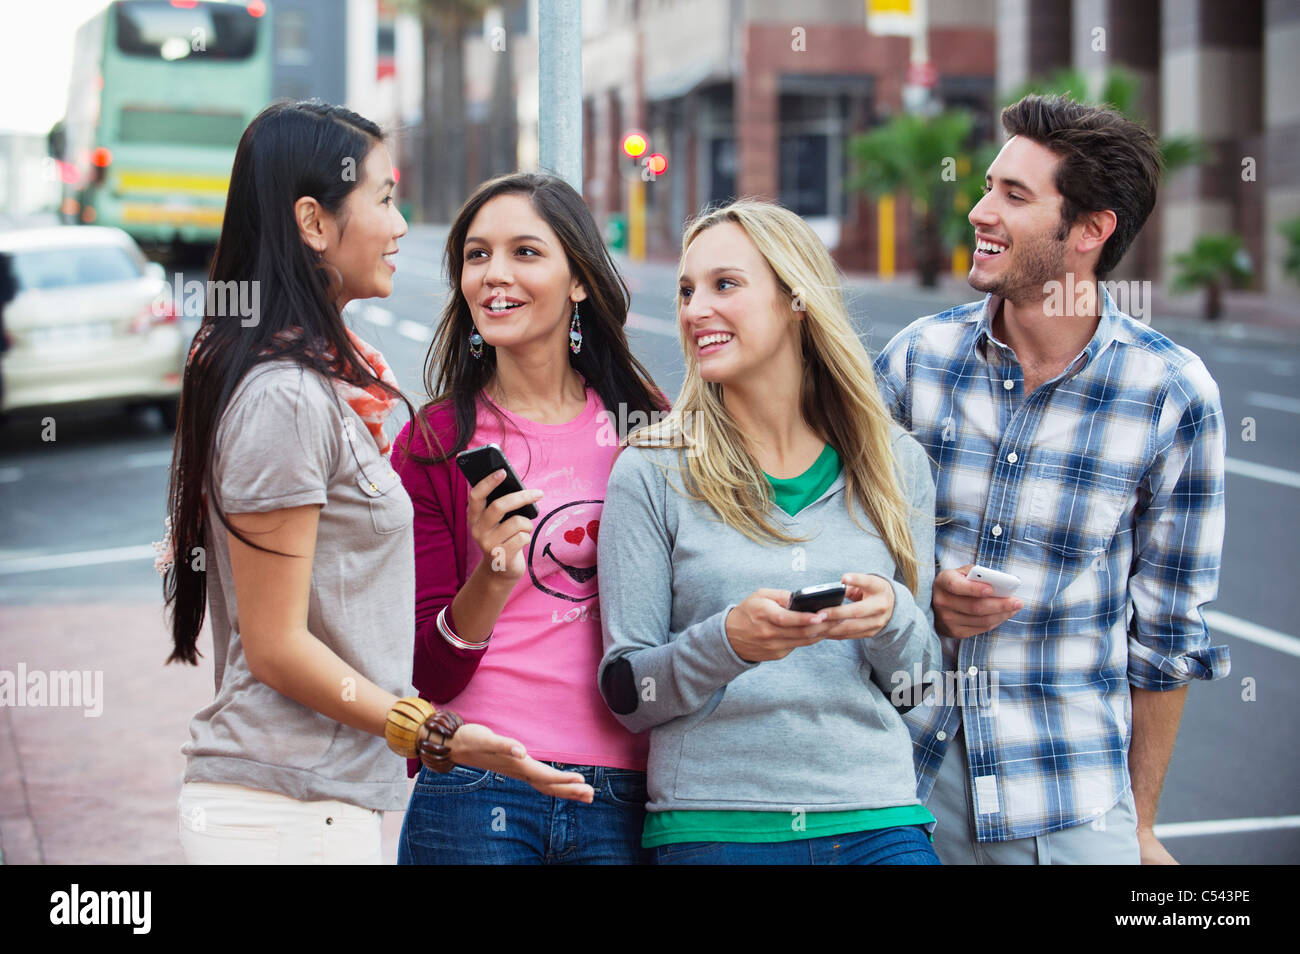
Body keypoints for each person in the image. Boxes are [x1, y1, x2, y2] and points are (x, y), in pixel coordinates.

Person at [162, 102, 592, 866]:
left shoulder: (333, 387)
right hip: (281, 807)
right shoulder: (286, 395)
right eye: (386, 198)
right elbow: (276, 647)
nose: (401, 228)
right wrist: (435, 730)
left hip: (316, 803)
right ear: (314, 222)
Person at [874, 94, 1229, 865]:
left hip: (1065, 805)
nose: (978, 212)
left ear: (1090, 232)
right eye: (986, 187)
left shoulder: (1171, 393)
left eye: (1013, 195)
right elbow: (842, 534)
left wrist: (1139, 827)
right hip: (901, 788)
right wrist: (924, 585)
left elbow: (1168, 635)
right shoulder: (914, 361)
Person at [597, 199, 942, 865]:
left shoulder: (897, 465)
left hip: (877, 818)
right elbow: (628, 695)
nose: (697, 310)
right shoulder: (651, 469)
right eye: (687, 291)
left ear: (796, 300)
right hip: (717, 827)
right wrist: (727, 643)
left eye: (725, 285)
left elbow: (917, 690)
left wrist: (893, 617)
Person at [392, 172, 668, 865]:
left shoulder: (646, 429)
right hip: (476, 784)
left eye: (525, 252)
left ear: (579, 280)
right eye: (477, 255)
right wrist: (491, 570)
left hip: (621, 792)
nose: (495, 275)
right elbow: (427, 670)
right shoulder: (435, 443)